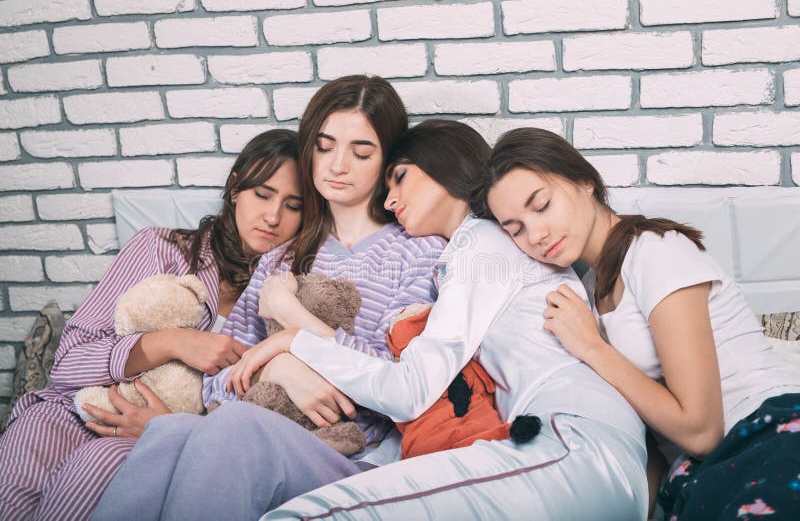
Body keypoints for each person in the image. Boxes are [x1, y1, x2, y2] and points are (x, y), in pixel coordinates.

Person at [242, 120, 650, 520]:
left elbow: (408, 392)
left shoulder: (482, 242)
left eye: (399, 178)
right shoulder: (480, 251)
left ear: (444, 163)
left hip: (574, 445)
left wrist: (296, 340)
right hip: (563, 450)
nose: (389, 200)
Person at [93, 75, 445, 521]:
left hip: (353, 454)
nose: (338, 165)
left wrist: (293, 333)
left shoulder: (418, 251)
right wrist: (278, 366)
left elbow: (397, 385)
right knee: (167, 433)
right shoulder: (282, 256)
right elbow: (217, 383)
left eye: (361, 152)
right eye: (324, 146)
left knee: (237, 426)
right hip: (258, 428)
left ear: (387, 159)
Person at [474, 127, 800, 520]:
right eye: (516, 230)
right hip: (700, 472)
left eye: (541, 206)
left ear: (584, 181)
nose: (536, 235)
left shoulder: (656, 252)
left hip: (768, 431)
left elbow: (701, 430)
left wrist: (593, 348)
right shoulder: (589, 291)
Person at [0, 129, 303, 521]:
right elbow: (66, 365)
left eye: (293, 205)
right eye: (262, 195)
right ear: (234, 188)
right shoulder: (160, 249)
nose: (273, 216)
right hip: (69, 411)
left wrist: (169, 429)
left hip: (154, 440)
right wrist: (171, 342)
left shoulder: (287, 293)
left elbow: (252, 421)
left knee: (92, 480)